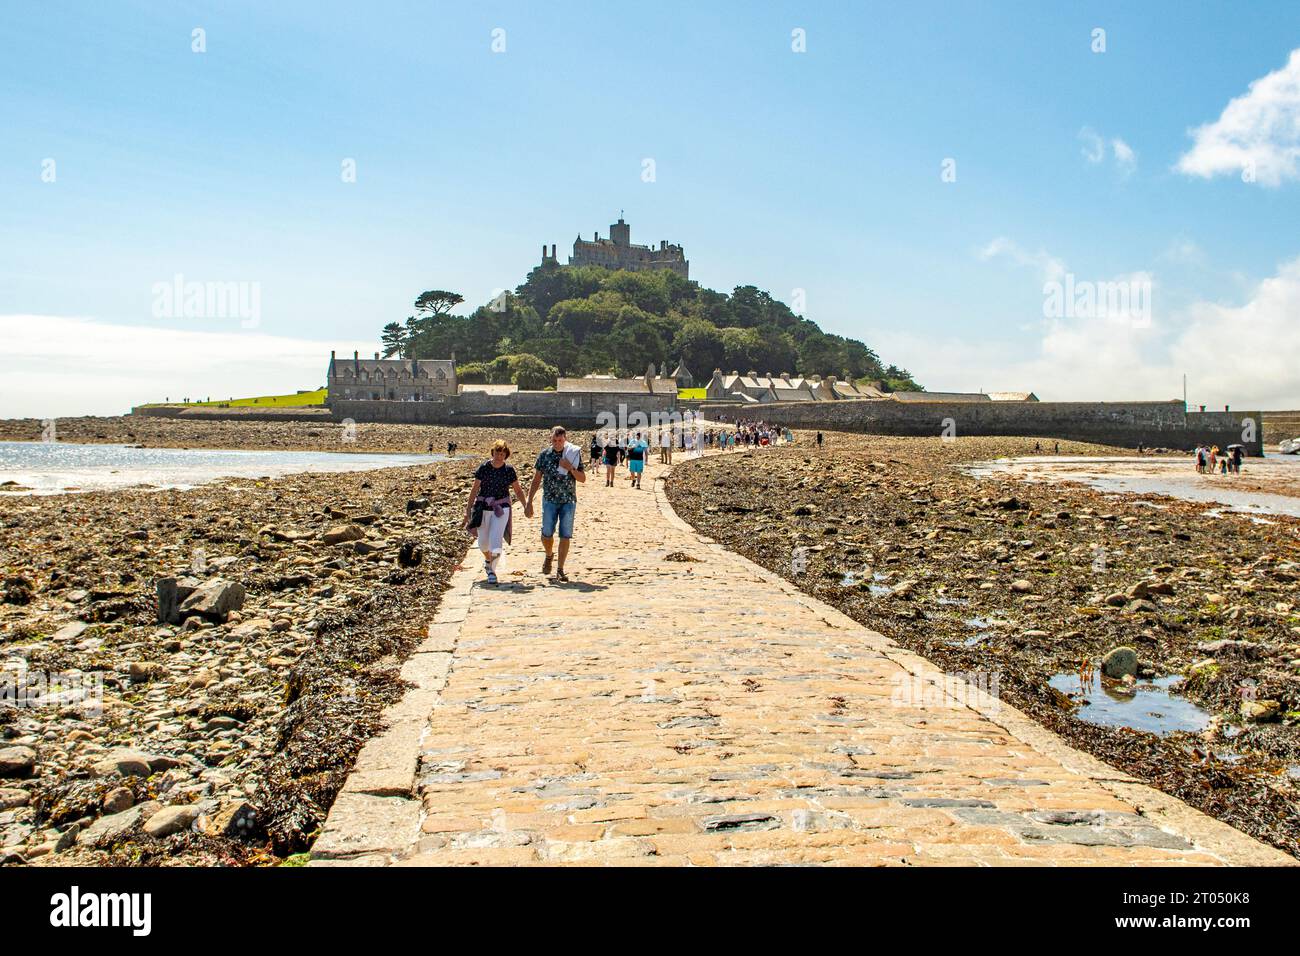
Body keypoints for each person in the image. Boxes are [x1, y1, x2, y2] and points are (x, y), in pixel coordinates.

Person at [463, 439, 526, 585]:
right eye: (497, 452)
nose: (499, 456)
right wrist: (468, 511)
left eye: (503, 453)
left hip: (501, 509)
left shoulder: (509, 470)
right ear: (493, 453)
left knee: (495, 540)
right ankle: (487, 559)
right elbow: (474, 490)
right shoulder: (484, 468)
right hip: (483, 508)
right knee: (483, 543)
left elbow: (517, 490)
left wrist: (525, 505)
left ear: (506, 455)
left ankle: (491, 570)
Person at [526, 426, 586, 581]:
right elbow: (537, 479)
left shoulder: (573, 454)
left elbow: (582, 478)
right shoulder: (544, 455)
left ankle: (560, 569)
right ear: (550, 439)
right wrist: (529, 501)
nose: (557, 443)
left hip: (568, 501)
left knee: (565, 535)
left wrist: (570, 468)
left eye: (560, 440)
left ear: (565, 439)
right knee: (546, 533)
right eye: (554, 440)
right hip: (550, 500)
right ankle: (548, 555)